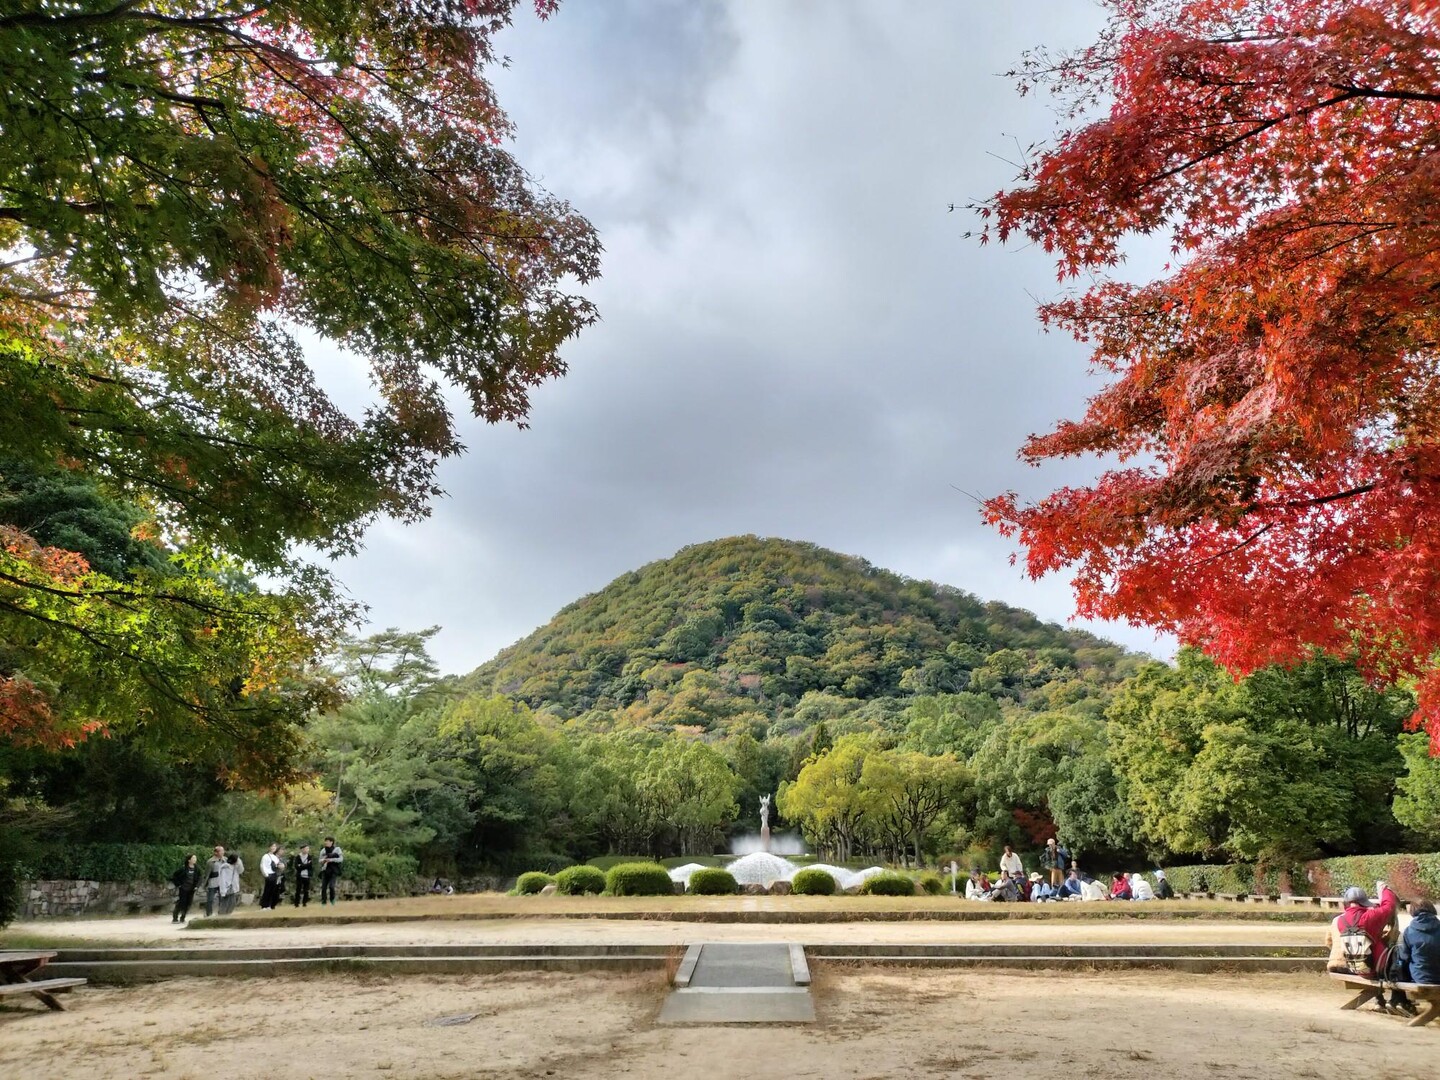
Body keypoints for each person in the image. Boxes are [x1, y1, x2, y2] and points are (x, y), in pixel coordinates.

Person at [1325, 881, 1398, 978]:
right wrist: (1385, 890)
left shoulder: (1340, 921)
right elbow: (1389, 906)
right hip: (1376, 968)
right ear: (1363, 902)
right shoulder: (1369, 917)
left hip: (1355, 968)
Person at [171, 854, 200, 923]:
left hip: (191, 889)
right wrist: (179, 885)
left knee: (188, 903)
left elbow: (199, 878)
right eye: (193, 858)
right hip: (183, 888)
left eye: (195, 858)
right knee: (181, 903)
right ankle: (175, 917)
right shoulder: (183, 868)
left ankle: (183, 917)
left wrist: (197, 886)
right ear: (189, 860)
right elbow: (174, 876)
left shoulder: (197, 869)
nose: (195, 859)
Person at [318, 835, 344, 905]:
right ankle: (323, 902)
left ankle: (332, 900)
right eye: (325, 841)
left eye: (327, 841)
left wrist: (331, 860)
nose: (326, 842)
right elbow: (319, 860)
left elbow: (341, 859)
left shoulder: (337, 849)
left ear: (331, 842)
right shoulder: (323, 850)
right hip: (325, 870)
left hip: (333, 870)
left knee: (331, 886)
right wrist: (323, 860)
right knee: (323, 887)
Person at [204, 845, 227, 917]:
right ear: (216, 853)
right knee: (210, 899)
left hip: (222, 882)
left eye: (223, 851)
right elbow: (207, 873)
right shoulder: (211, 861)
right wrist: (206, 883)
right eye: (221, 851)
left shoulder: (225, 860)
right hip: (213, 882)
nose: (223, 852)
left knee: (222, 898)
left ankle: (222, 913)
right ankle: (209, 913)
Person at [259, 843, 281, 910]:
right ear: (269, 847)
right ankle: (264, 905)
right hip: (268, 874)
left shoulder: (275, 857)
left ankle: (269, 905)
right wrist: (266, 875)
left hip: (274, 874)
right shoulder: (265, 856)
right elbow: (262, 866)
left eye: (275, 846)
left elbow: (277, 865)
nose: (273, 848)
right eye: (272, 846)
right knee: (267, 890)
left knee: (273, 890)